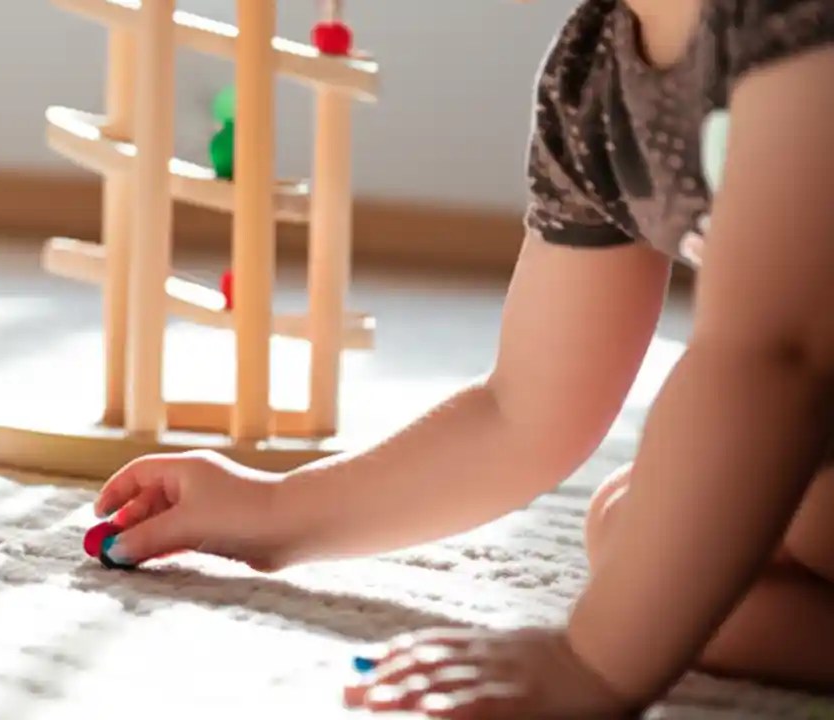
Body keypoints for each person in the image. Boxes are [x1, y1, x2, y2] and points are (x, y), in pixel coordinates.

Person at [91, 0, 834, 716]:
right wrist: (276, 510)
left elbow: (771, 359)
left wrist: (594, 662)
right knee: (636, 534)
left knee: (729, 521)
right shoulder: (594, 83)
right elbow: (523, 413)